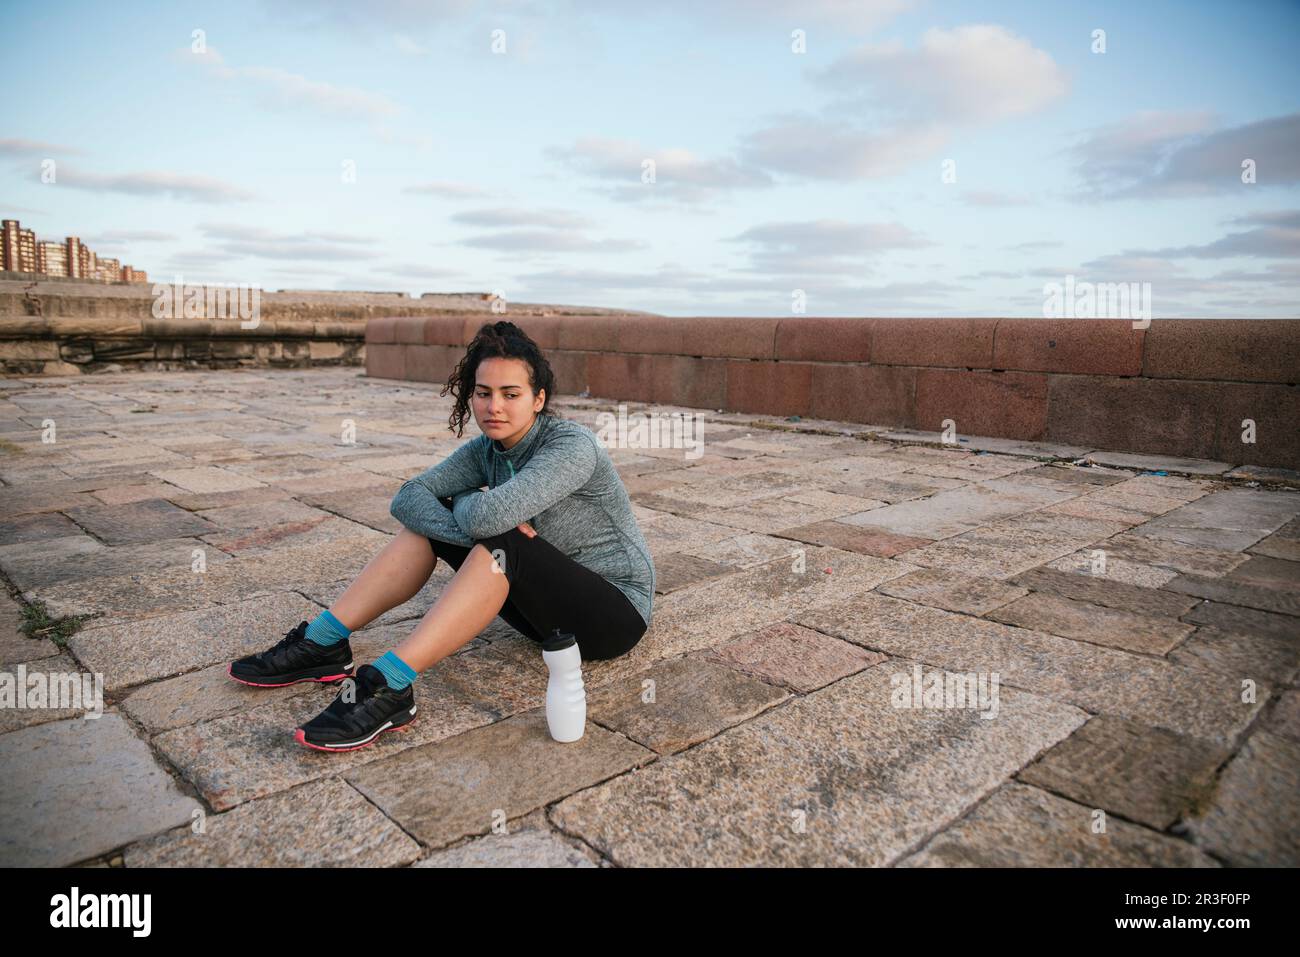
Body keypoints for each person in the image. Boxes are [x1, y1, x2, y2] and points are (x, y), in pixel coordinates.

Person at [227, 320, 656, 751]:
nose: (495, 407)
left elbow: (492, 519)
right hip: (546, 617)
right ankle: (323, 642)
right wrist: (471, 506)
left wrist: (470, 507)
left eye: (511, 394)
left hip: (613, 615)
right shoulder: (484, 450)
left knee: (499, 537)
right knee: (437, 524)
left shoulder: (571, 446)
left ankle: (390, 685)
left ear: (538, 399)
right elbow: (408, 496)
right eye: (484, 393)